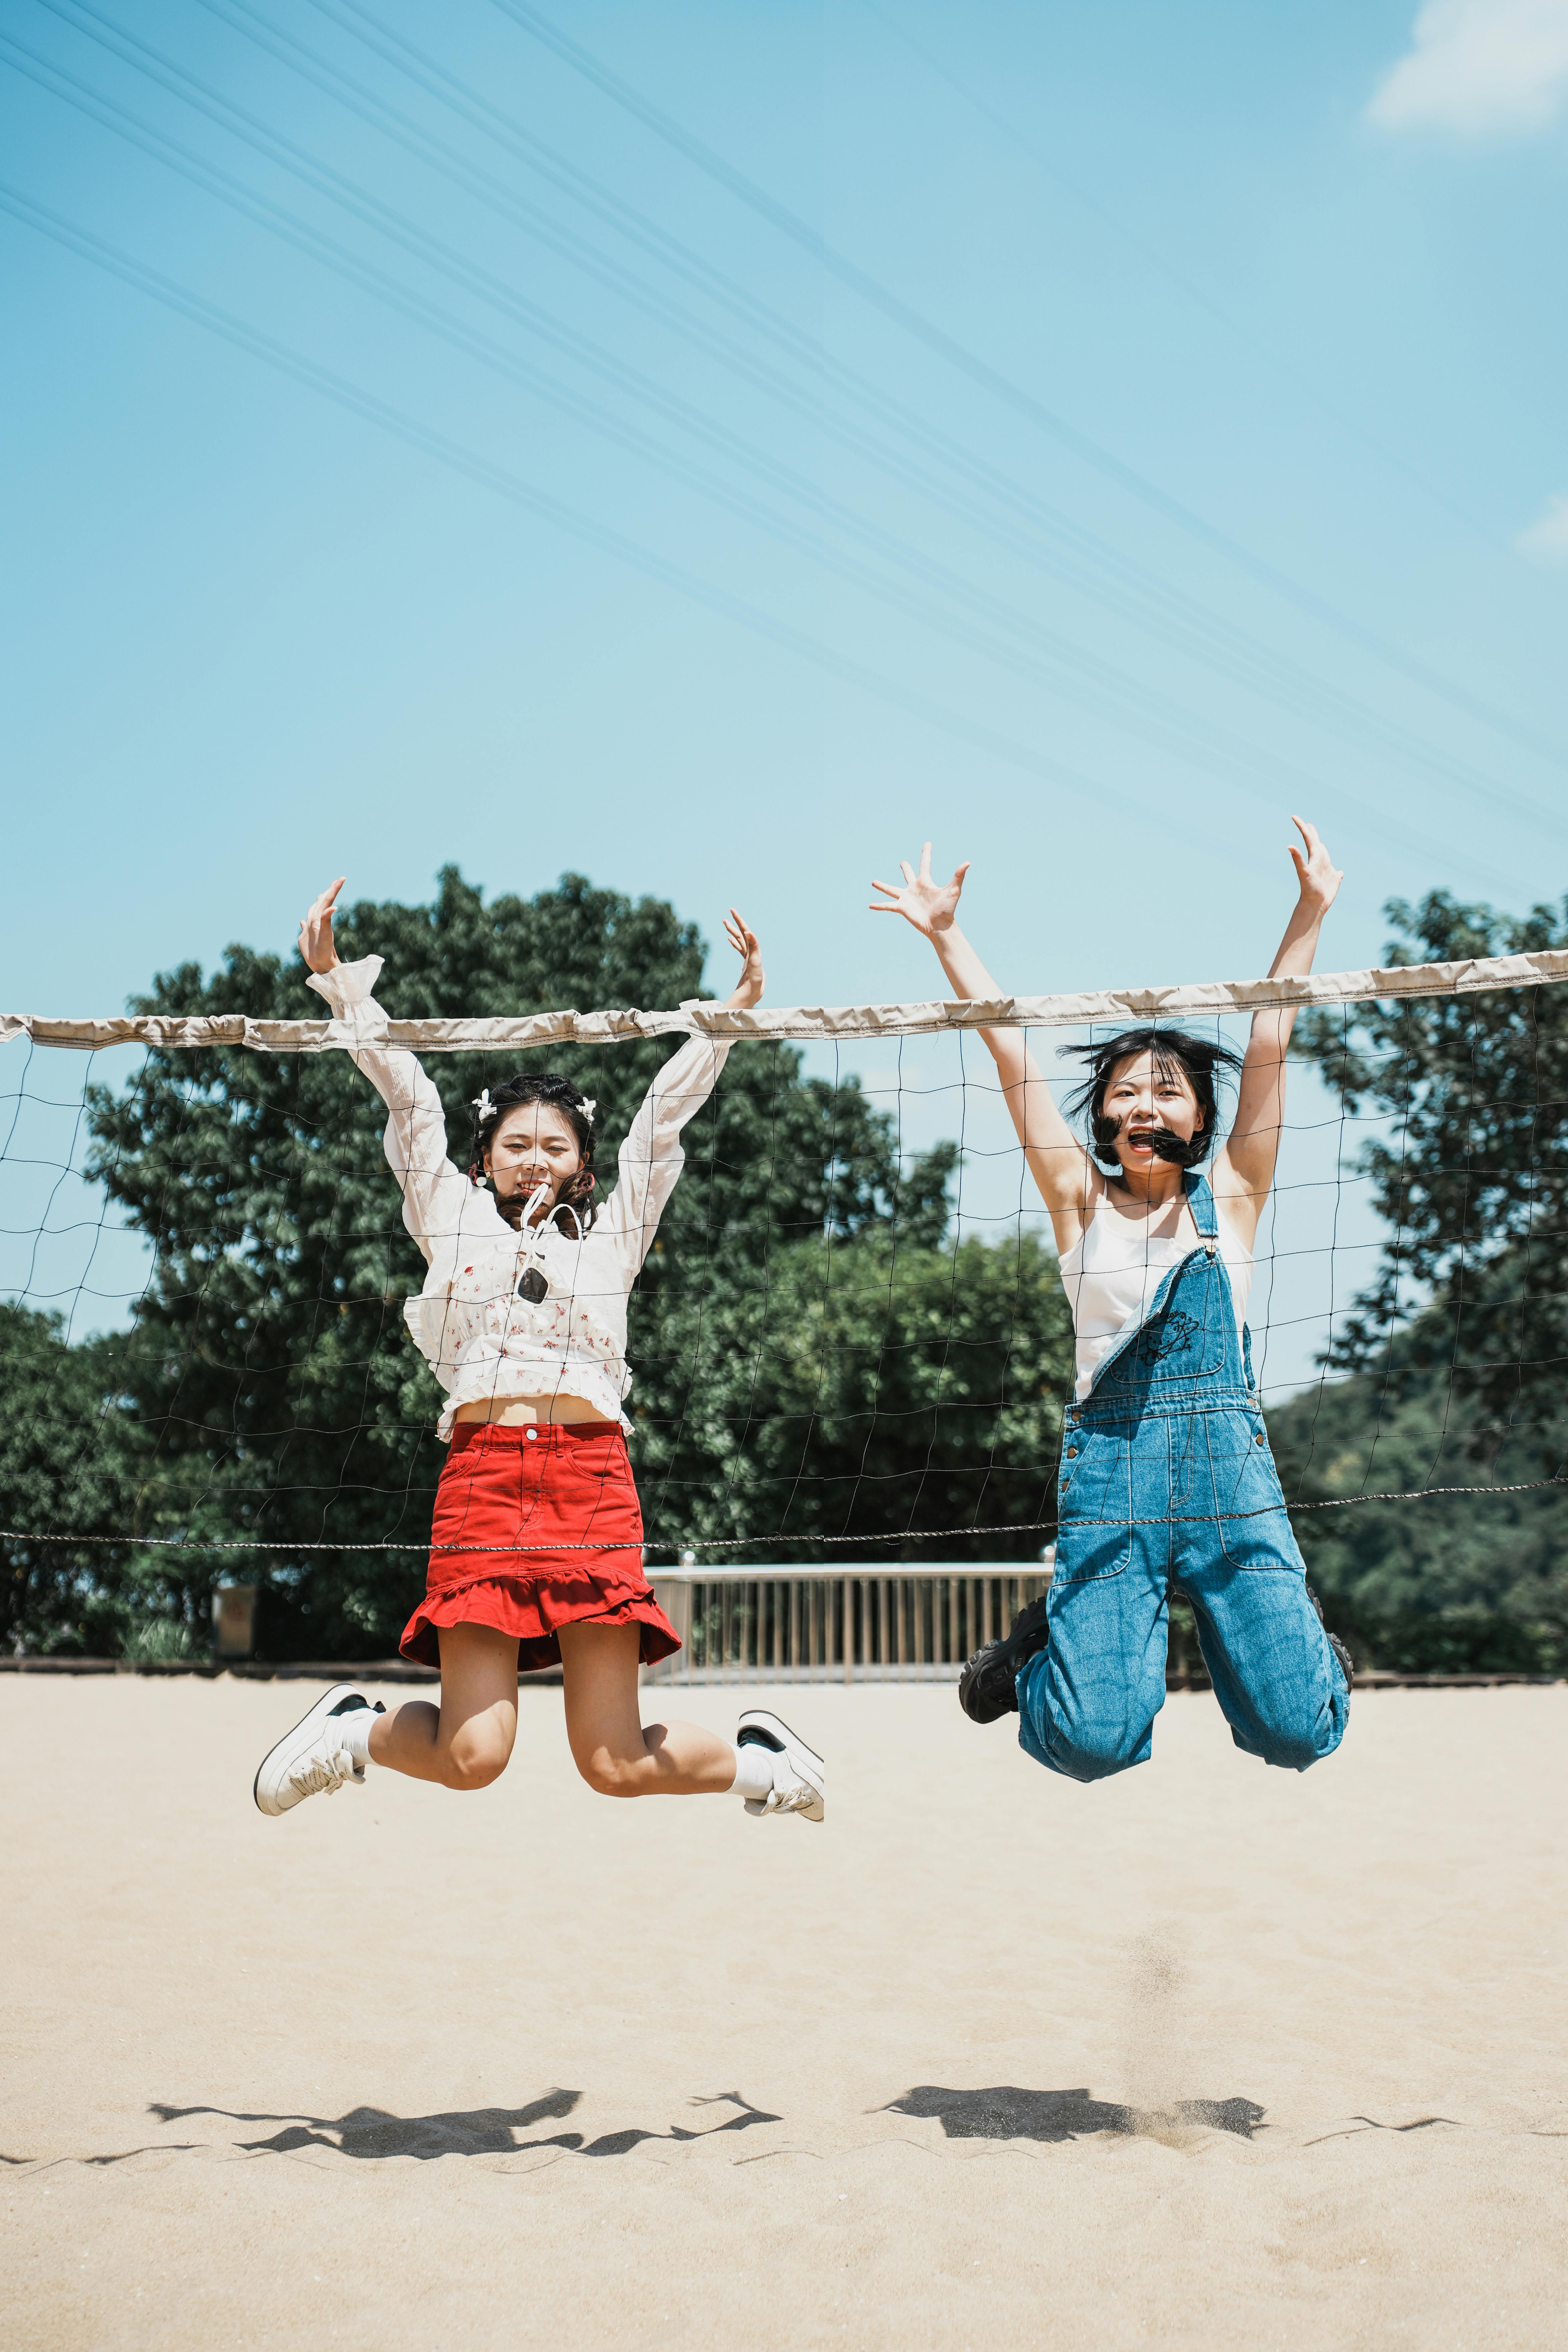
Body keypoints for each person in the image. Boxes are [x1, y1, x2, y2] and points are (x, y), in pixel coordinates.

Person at [252, 878, 823, 1824]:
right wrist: (340, 988)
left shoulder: (612, 1237)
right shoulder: (451, 1216)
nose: (534, 1159)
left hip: (591, 1482)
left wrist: (725, 1020)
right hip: (480, 1481)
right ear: (485, 1163)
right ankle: (353, 1732)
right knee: (475, 1757)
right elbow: (410, 1101)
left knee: (613, 1764)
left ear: (583, 1167)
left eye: (555, 1147)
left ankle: (760, 1765)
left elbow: (660, 1126)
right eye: (514, 1144)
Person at [871, 819, 1351, 1781]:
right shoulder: (1077, 1203)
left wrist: (1308, 912)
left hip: (1232, 1485)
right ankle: (1034, 1651)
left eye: (1167, 1092)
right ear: (1103, 1119)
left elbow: (1271, 1041)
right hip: (1113, 1480)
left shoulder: (1237, 1198)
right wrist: (946, 936)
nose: (1145, 1107)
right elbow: (1012, 1059)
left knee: (1299, 1732)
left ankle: (1304, 1646)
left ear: (1199, 1120)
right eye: (1126, 1093)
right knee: (1093, 1747)